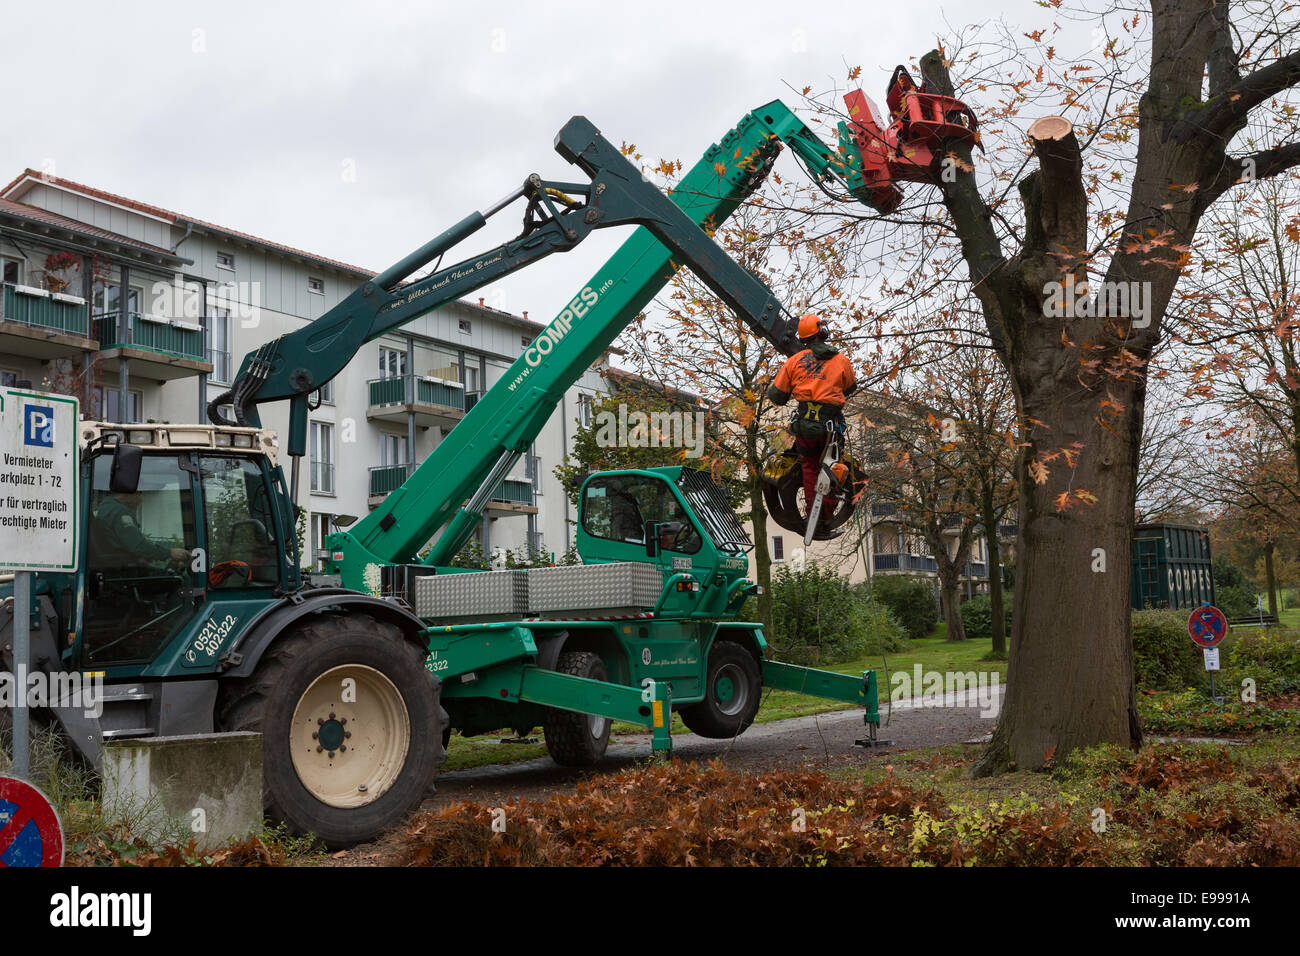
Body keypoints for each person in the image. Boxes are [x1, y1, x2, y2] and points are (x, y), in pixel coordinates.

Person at [766, 313, 858, 526]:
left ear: (803, 337)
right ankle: (825, 515)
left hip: (806, 427)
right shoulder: (841, 360)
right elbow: (850, 387)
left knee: (809, 466)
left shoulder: (794, 361)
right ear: (823, 332)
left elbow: (777, 396)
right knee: (832, 466)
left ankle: (812, 514)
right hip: (831, 428)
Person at [91, 491, 189, 567]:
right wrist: (170, 553)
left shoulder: (102, 508)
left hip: (112, 568)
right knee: (175, 581)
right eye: (140, 493)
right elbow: (138, 546)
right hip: (124, 572)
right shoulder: (119, 512)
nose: (141, 499)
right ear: (130, 493)